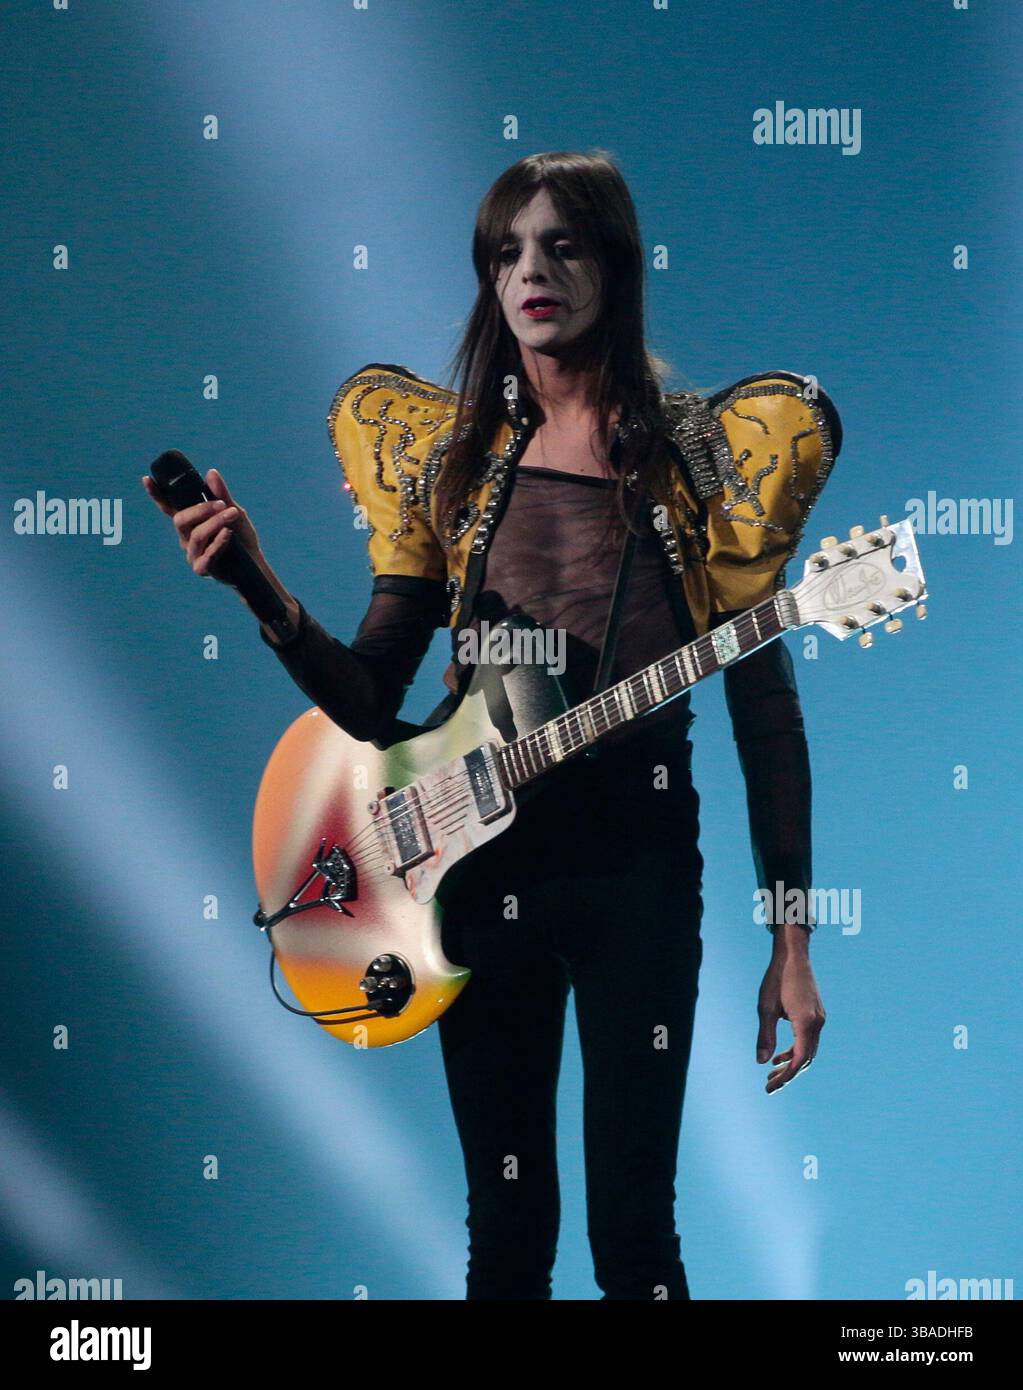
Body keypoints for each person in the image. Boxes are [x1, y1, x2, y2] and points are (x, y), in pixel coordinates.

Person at [143, 150, 841, 1300]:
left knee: (636, 1235)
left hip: (639, 867)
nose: (533, 269)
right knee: (506, 1236)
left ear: (614, 266)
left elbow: (765, 713)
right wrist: (258, 588)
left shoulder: (699, 462)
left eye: (563, 244)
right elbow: (372, 699)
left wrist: (795, 940)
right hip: (476, 859)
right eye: (507, 249)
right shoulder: (450, 463)